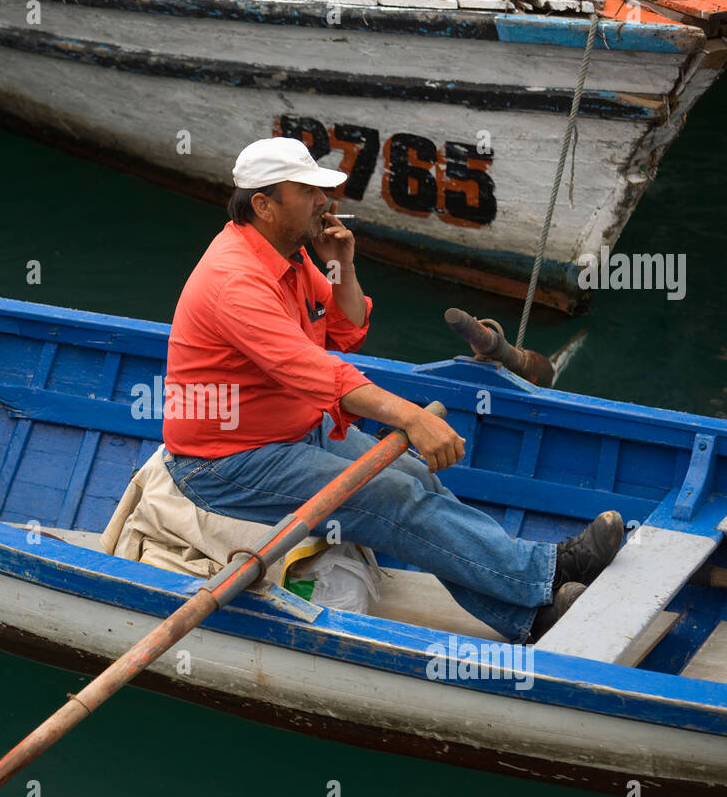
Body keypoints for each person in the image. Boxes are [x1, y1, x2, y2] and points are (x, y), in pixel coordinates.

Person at [160, 137, 622, 642]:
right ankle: (547, 571)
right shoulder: (235, 280)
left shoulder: (290, 256)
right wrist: (412, 417)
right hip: (227, 461)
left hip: (295, 429)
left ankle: (529, 617)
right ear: (264, 206)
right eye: (307, 191)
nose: (322, 201)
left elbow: (347, 331)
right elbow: (318, 372)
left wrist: (341, 264)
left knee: (416, 476)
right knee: (392, 495)